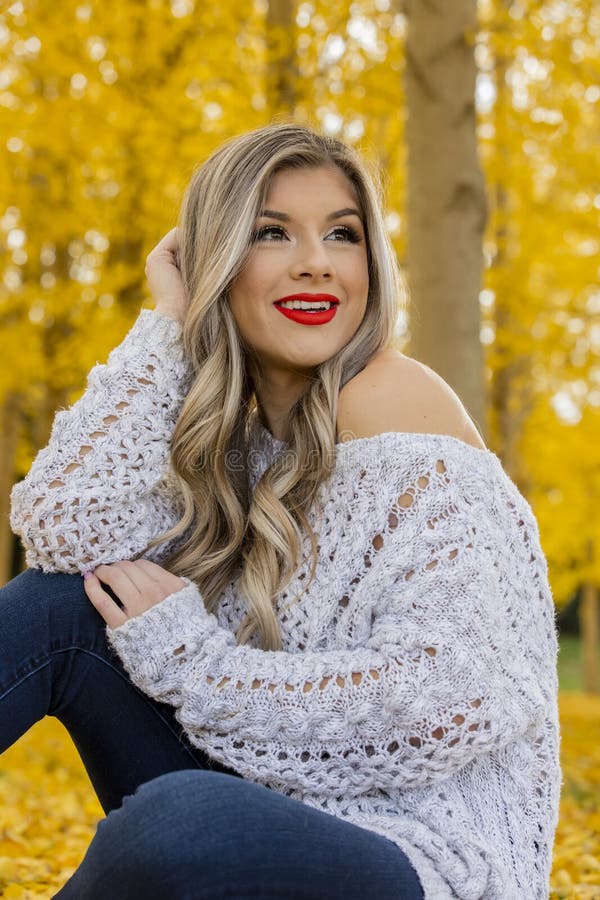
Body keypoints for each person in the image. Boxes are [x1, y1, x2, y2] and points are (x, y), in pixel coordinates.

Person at [2, 122, 560, 899]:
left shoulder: (392, 400)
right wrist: (166, 325)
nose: (316, 263)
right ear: (218, 263)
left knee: (179, 822)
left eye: (343, 234)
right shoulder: (229, 438)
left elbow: (457, 696)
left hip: (420, 861)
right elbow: (64, 532)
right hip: (262, 803)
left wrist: (201, 668)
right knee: (60, 611)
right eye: (272, 233)